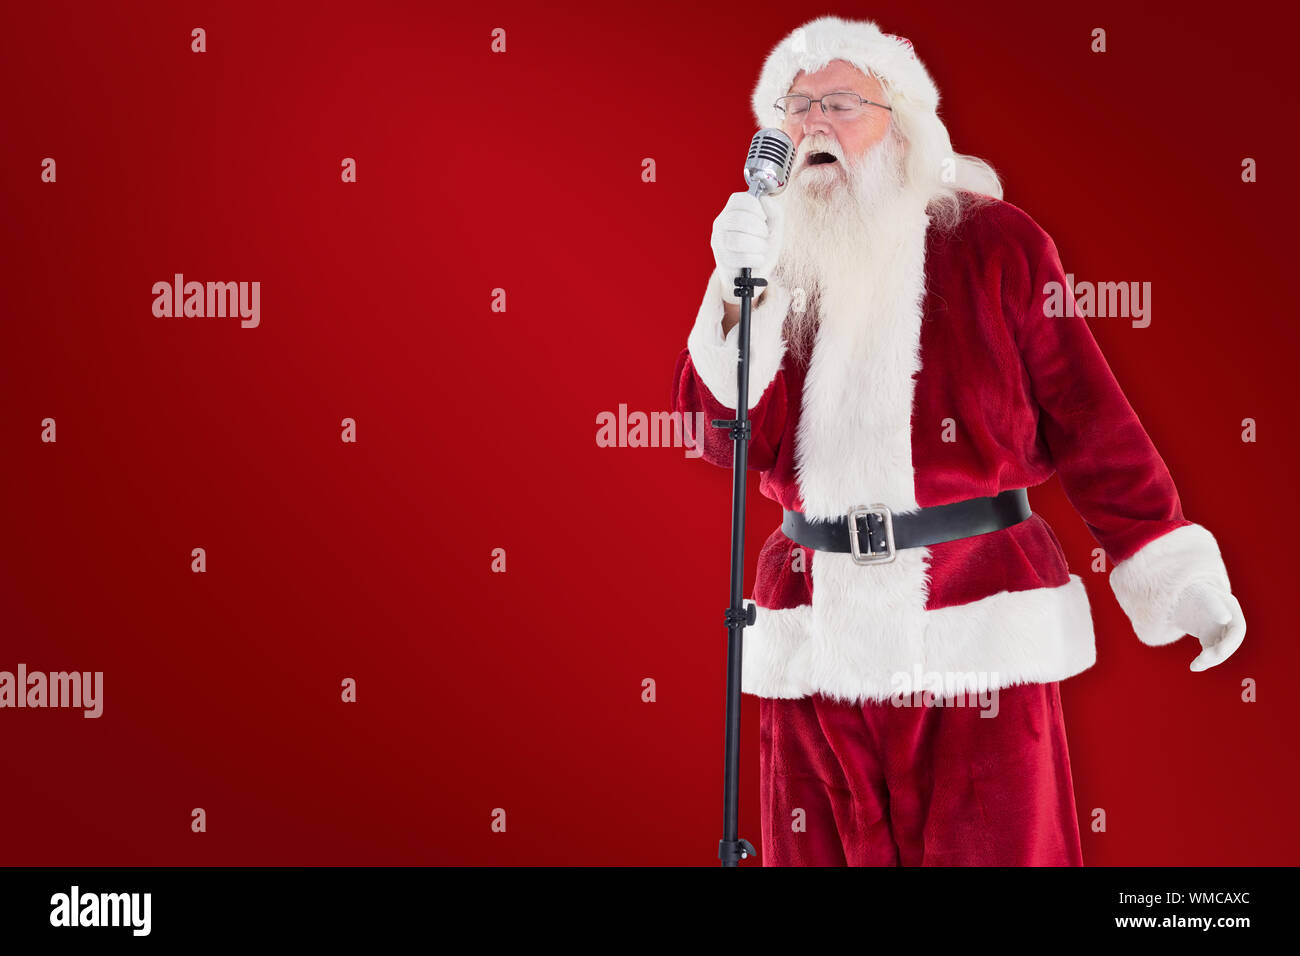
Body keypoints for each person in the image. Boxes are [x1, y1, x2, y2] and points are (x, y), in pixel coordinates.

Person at [670, 15, 1246, 866]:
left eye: (841, 103)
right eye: (797, 108)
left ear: (899, 122)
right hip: (813, 636)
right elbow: (723, 441)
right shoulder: (774, 262)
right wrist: (732, 293)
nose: (815, 124)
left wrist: (1171, 568)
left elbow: (1094, 422)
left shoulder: (997, 245)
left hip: (976, 629)